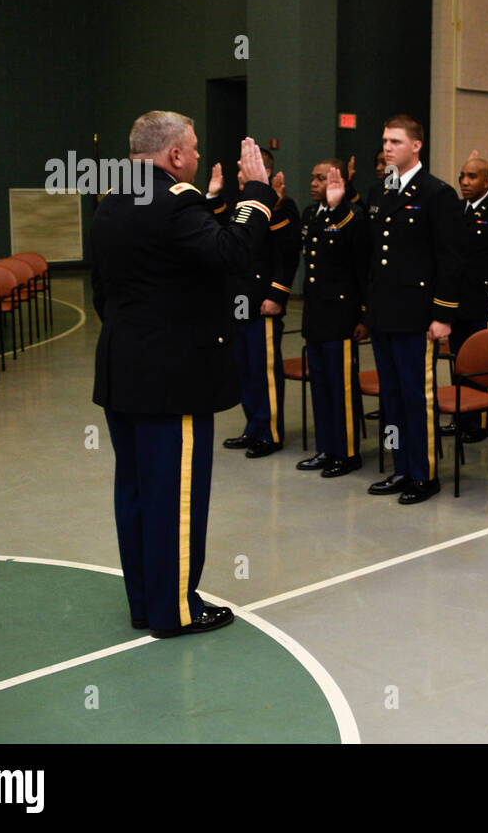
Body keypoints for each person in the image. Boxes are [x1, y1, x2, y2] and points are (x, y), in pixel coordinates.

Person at [92, 113, 276, 637]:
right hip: (172, 381)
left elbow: (103, 293)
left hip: (122, 371)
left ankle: (145, 601)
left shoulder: (110, 203)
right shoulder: (173, 201)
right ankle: (174, 611)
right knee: (174, 496)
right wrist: (258, 194)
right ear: (174, 155)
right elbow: (231, 253)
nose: (195, 158)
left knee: (134, 490)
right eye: (192, 150)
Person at [364, 114, 463, 504]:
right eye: (385, 141)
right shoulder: (380, 191)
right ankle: (400, 467)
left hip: (416, 312)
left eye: (395, 142)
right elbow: (375, 255)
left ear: (416, 146)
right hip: (384, 310)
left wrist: (442, 314)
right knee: (390, 396)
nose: (387, 147)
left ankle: (423, 473)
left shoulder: (436, 193)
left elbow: (451, 258)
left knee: (415, 396)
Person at [221, 148, 301, 458]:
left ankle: (270, 433)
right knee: (244, 367)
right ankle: (252, 427)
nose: (239, 173)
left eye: (243, 168)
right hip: (240, 299)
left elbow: (287, 252)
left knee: (264, 369)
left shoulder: (283, 205)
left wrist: (277, 294)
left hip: (263, 299)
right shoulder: (242, 203)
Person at [296, 159, 371, 477]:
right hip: (315, 314)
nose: (313, 183)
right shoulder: (312, 214)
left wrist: (363, 315)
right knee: (321, 386)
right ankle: (326, 449)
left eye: (320, 178)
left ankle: (348, 451)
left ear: (337, 180)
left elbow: (363, 268)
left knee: (341, 389)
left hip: (341, 314)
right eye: (312, 178)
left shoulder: (353, 217)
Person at [441, 154, 488, 443]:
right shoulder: (457, 210)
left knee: (480, 364)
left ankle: (478, 421)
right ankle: (462, 417)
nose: (464, 182)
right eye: (462, 176)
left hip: (485, 300)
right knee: (459, 360)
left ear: (487, 181)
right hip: (459, 299)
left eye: (472, 177)